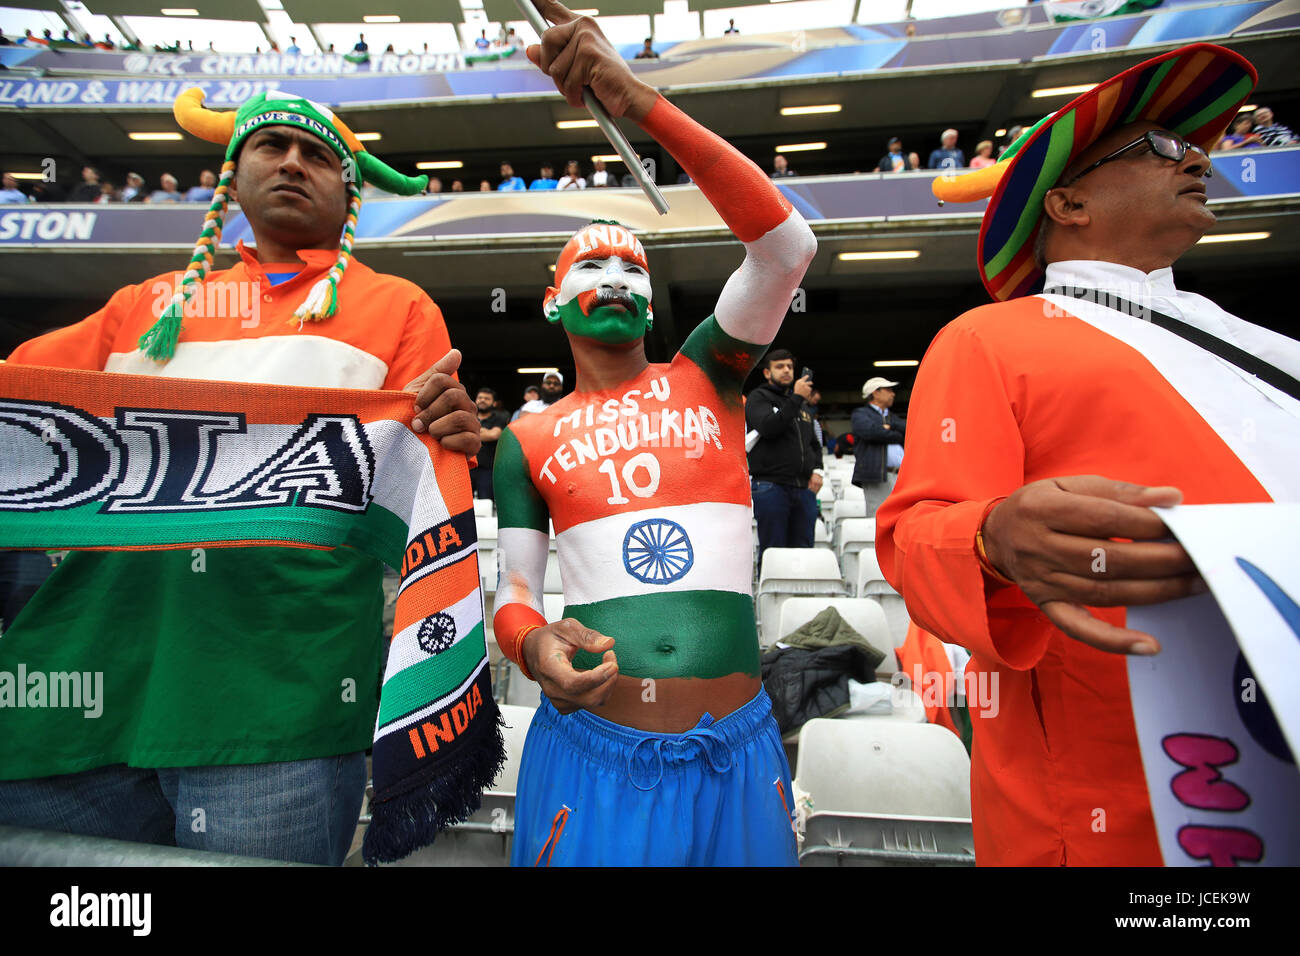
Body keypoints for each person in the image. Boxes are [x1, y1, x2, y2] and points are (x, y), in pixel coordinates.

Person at [0, 88, 479, 867]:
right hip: (81, 688)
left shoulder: (399, 308)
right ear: (233, 173)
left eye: (318, 154)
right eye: (270, 146)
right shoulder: (141, 306)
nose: (293, 161)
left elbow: (416, 469)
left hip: (279, 700)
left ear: (348, 189)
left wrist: (445, 434)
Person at [879, 43, 1300, 866]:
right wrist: (992, 538)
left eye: (1197, 148)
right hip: (1118, 791)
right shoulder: (986, 337)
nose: (1198, 159)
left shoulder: (1272, 348)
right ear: (1067, 203)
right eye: (1165, 147)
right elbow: (913, 538)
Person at [469, 0, 816, 867]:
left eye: (635, 267)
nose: (618, 278)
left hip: (739, 749)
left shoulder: (710, 372)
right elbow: (515, 591)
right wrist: (533, 642)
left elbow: (785, 246)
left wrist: (642, 103)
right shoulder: (529, 435)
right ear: (552, 302)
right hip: (592, 759)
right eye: (592, 266)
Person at [747, 350, 823, 562]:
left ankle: (801, 595)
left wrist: (817, 471)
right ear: (766, 373)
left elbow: (814, 445)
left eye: (789, 366)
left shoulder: (803, 407)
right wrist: (797, 397)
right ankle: (772, 596)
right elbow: (769, 427)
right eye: (779, 366)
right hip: (771, 486)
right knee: (774, 551)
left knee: (804, 551)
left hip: (804, 489)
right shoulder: (758, 398)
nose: (787, 370)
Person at [851, 376, 905, 516]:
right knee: (878, 516)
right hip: (878, 475)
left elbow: (909, 431)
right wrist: (894, 434)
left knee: (899, 517)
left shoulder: (892, 418)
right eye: (888, 390)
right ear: (875, 392)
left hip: (901, 476)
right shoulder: (860, 414)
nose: (893, 393)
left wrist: (890, 427)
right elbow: (871, 433)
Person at [470, 387, 510, 501]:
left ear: (494, 403)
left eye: (487, 399)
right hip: (467, 467)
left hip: (488, 469)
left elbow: (494, 435)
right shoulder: (468, 415)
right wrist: (483, 432)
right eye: (480, 398)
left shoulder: (500, 418)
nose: (482, 400)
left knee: (486, 502)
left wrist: (471, 433)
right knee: (463, 504)